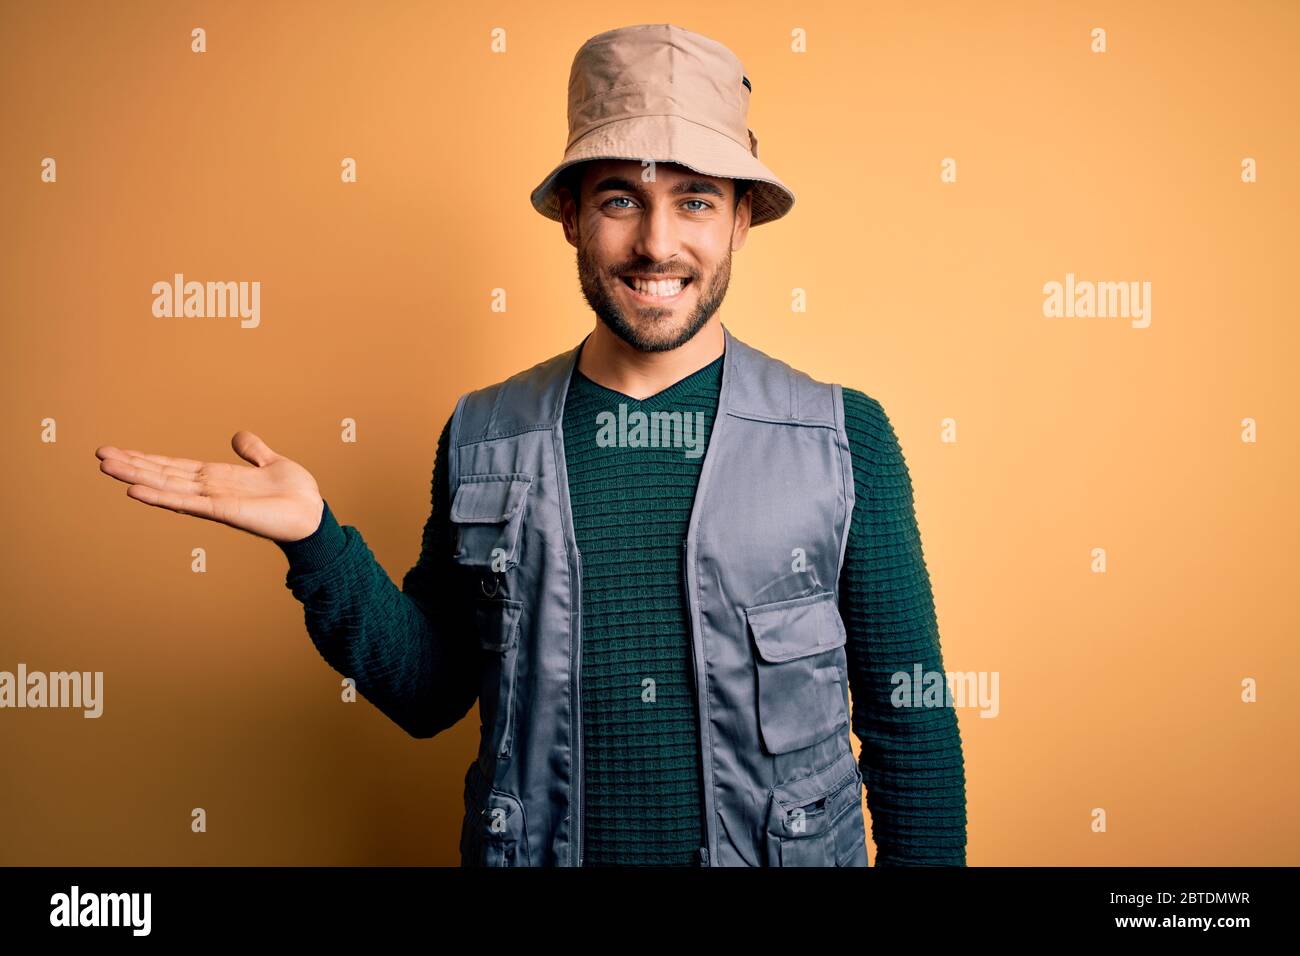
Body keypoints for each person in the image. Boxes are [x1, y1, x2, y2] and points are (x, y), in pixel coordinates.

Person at [95, 23, 966, 867]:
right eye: (621, 198)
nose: (657, 243)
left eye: (694, 200)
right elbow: (433, 691)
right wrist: (318, 541)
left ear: (741, 219)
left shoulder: (844, 440)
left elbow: (912, 729)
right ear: (571, 219)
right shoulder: (483, 434)